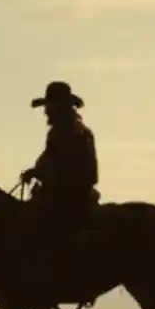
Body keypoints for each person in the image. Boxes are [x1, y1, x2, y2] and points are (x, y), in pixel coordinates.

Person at [20, 81, 99, 248]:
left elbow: (60, 166)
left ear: (59, 108)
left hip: (65, 198)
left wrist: (36, 172)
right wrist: (36, 171)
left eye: (49, 107)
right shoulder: (78, 129)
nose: (46, 112)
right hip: (79, 195)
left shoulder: (64, 131)